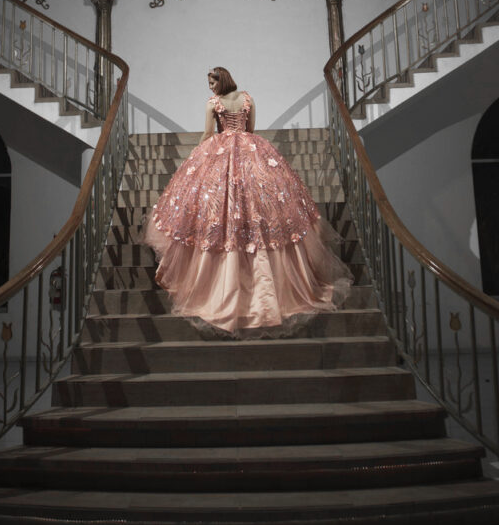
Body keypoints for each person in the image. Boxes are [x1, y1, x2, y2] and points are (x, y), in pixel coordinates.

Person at [143, 67, 353, 336]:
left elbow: (209, 134)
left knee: (218, 207)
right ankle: (267, 292)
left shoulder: (213, 104)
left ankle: (222, 290)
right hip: (252, 152)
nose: (210, 87)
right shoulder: (247, 99)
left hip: (220, 153)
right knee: (261, 205)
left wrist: (198, 157)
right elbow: (251, 129)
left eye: (212, 82)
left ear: (221, 81)